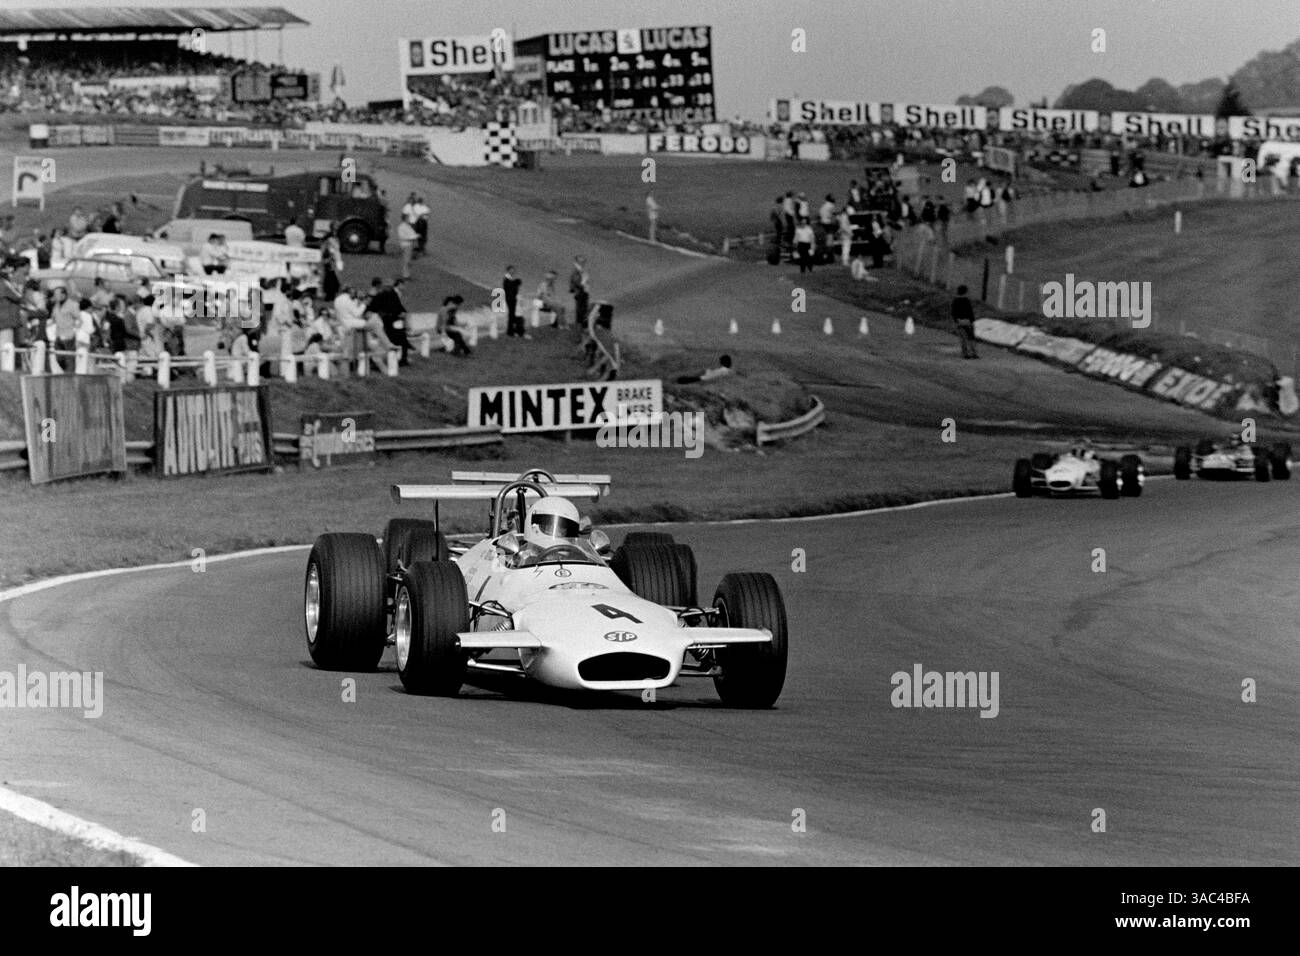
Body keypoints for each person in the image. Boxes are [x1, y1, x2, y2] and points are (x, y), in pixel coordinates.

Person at [951, 284, 978, 359]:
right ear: (966, 292)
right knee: (971, 338)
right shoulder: (967, 301)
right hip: (968, 321)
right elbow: (970, 312)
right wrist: (972, 320)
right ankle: (973, 352)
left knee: (963, 338)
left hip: (959, 321)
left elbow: (953, 312)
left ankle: (965, 353)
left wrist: (956, 320)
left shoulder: (955, 301)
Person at [502, 265, 524, 337]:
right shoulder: (507, 279)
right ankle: (510, 331)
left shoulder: (509, 279)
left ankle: (513, 329)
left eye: (513, 270)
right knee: (512, 315)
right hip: (510, 299)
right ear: (508, 270)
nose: (513, 271)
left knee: (512, 315)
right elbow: (509, 288)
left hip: (511, 299)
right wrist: (516, 283)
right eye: (511, 270)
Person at [570, 255, 590, 328]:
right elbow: (574, 280)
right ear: (577, 262)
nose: (583, 262)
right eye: (581, 261)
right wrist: (581, 286)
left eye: (583, 261)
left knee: (583, 306)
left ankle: (582, 322)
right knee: (581, 307)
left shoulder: (581, 269)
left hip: (584, 290)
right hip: (580, 290)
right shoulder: (576, 269)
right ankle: (580, 323)